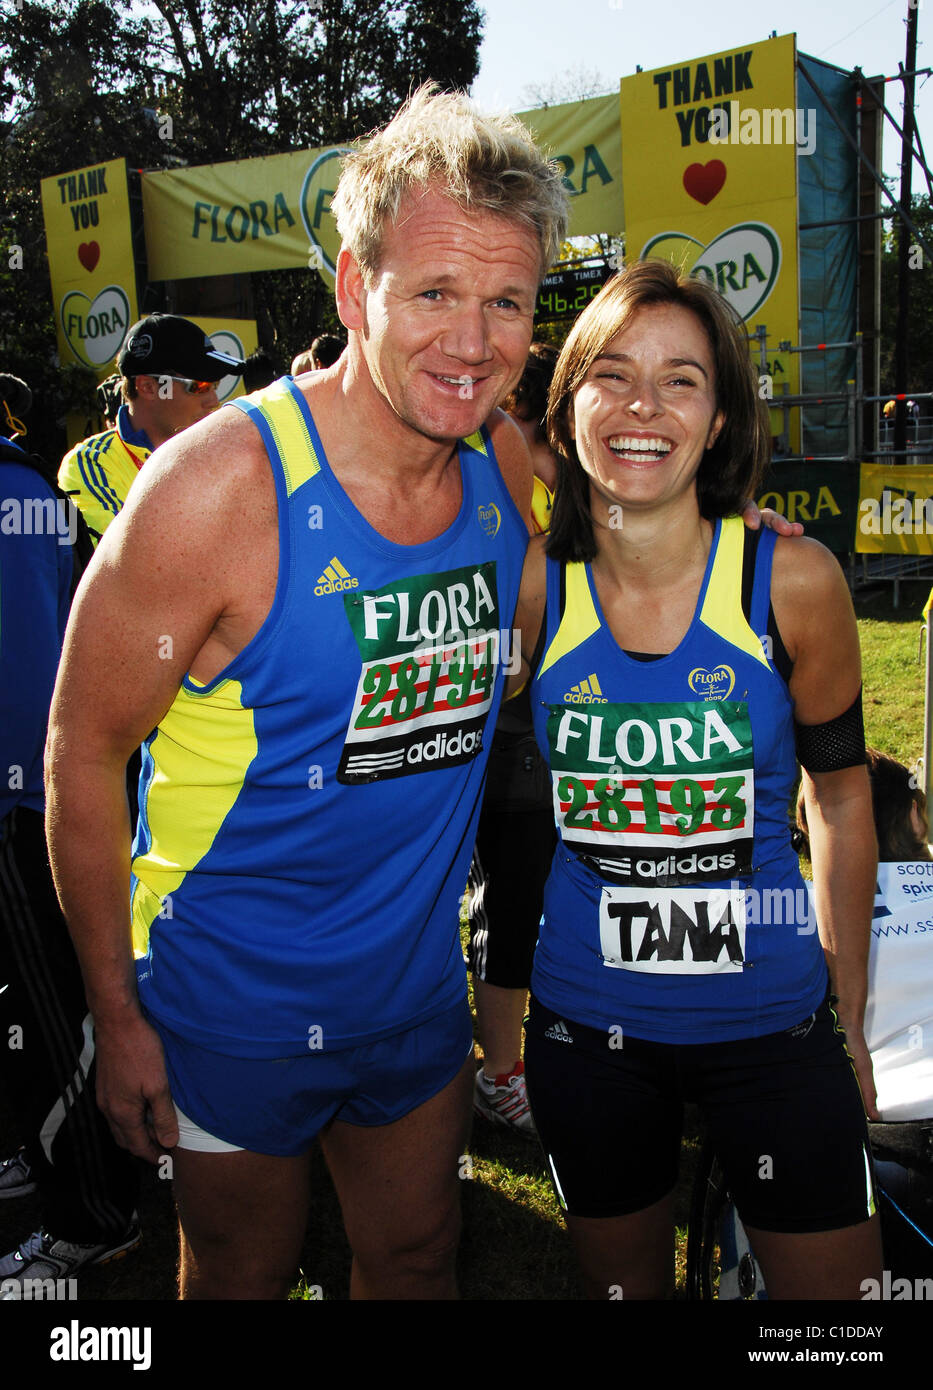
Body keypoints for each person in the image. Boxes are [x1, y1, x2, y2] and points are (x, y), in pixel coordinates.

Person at [44, 85, 568, 1301]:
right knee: (240, 1275)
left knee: (418, 1256)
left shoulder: (500, 463)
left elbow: (612, 565)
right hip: (233, 1003)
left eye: (506, 302)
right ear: (352, 291)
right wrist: (116, 1017)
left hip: (414, 995)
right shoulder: (218, 490)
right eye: (434, 292)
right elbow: (80, 749)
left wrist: (742, 542)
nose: (475, 341)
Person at [512, 259, 883, 1299]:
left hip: (773, 1025)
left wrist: (847, 1016)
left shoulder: (792, 580)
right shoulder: (535, 584)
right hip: (590, 1031)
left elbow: (844, 795)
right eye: (613, 374)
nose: (642, 404)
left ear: (718, 421)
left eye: (682, 379)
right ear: (571, 401)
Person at [0, 376, 139, 1290]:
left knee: (57, 1010)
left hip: (17, 808)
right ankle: (35, 1148)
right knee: (22, 1011)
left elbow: (26, 681)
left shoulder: (14, 496)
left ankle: (94, 1210)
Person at [468, 345, 560, 1135]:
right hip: (506, 746)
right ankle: (499, 1075)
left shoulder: (567, 499)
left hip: (550, 745)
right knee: (515, 907)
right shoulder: (485, 477)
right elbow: (510, 667)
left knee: (540, 903)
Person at [58, 314, 245, 544]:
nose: (214, 400)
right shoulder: (91, 462)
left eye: (215, 386)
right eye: (199, 387)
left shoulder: (221, 453)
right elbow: (120, 560)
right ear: (148, 387)